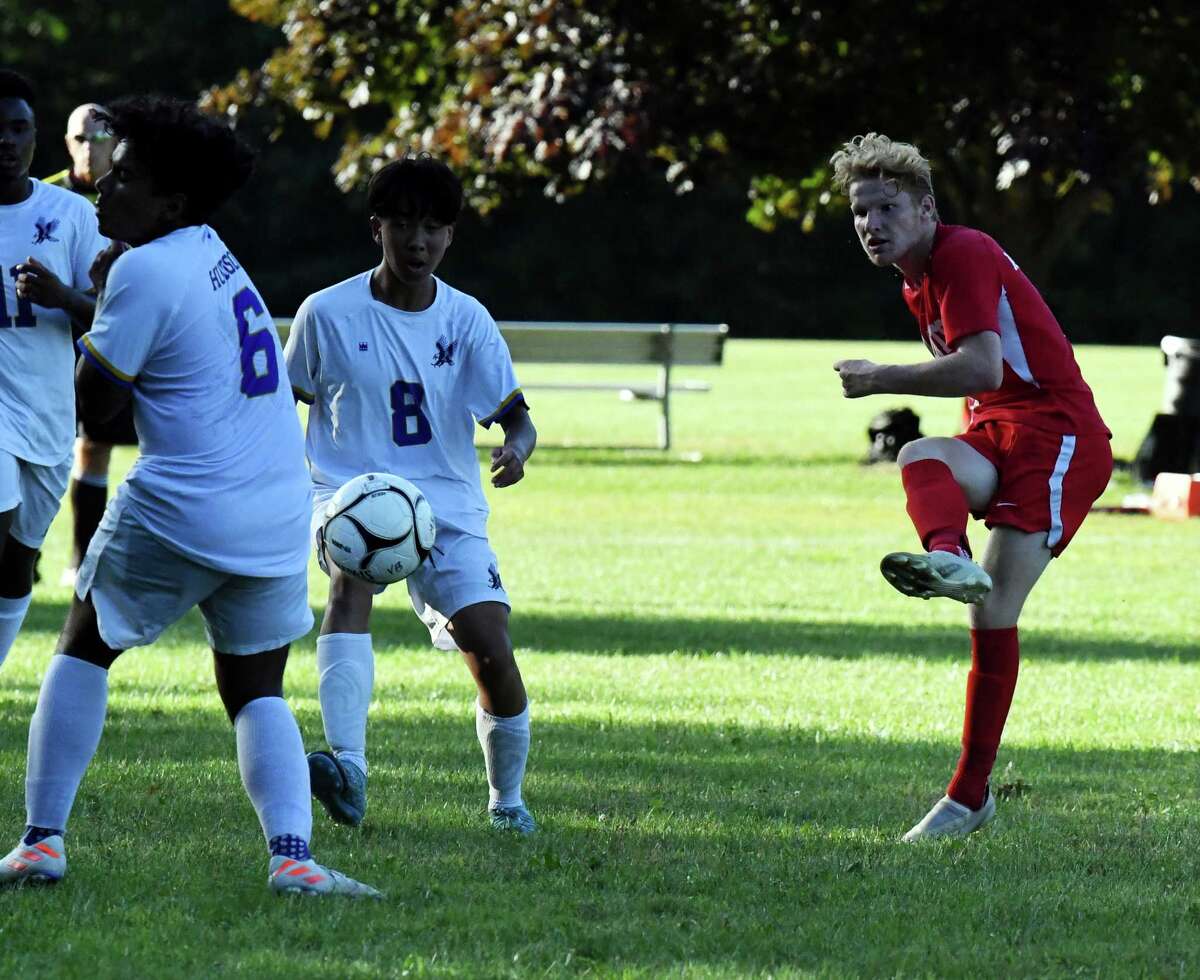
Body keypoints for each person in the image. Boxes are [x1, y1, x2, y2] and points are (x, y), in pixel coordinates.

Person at [0, 94, 378, 896]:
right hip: (276, 511)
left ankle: (40, 842)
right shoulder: (212, 249)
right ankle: (293, 859)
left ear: (169, 202)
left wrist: (97, 308)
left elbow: (94, 408)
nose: (104, 185)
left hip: (184, 504)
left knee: (84, 645)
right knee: (254, 688)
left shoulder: (144, 265)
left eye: (127, 177)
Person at [830, 134, 1112, 842]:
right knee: (922, 455)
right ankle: (947, 554)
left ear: (926, 209)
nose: (871, 223)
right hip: (1003, 431)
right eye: (860, 212)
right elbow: (984, 386)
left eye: (887, 207)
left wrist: (880, 378)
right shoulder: (913, 278)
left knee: (995, 613)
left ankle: (968, 796)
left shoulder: (960, 252)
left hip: (1058, 435)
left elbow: (984, 366)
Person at [284, 156, 538, 834]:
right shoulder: (325, 313)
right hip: (349, 494)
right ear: (377, 229)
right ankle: (349, 769)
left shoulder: (467, 319)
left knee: (490, 644)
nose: (418, 242)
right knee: (349, 580)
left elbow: (516, 414)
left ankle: (507, 802)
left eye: (433, 228)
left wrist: (517, 446)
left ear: (451, 237)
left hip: (447, 504)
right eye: (403, 226)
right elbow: (283, 408)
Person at [0, 71, 105, 671]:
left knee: (18, 561)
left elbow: (112, 312)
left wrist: (63, 296)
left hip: (47, 415)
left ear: (37, 137)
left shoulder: (69, 215)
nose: (8, 141)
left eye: (19, 129)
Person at [46, 103, 140, 588]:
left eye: (98, 138)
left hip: (115, 342)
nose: (89, 148)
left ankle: (88, 561)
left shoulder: (134, 198)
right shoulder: (47, 197)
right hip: (49, 347)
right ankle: (42, 553)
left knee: (98, 447)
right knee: (51, 450)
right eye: (80, 139)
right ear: (67, 144)